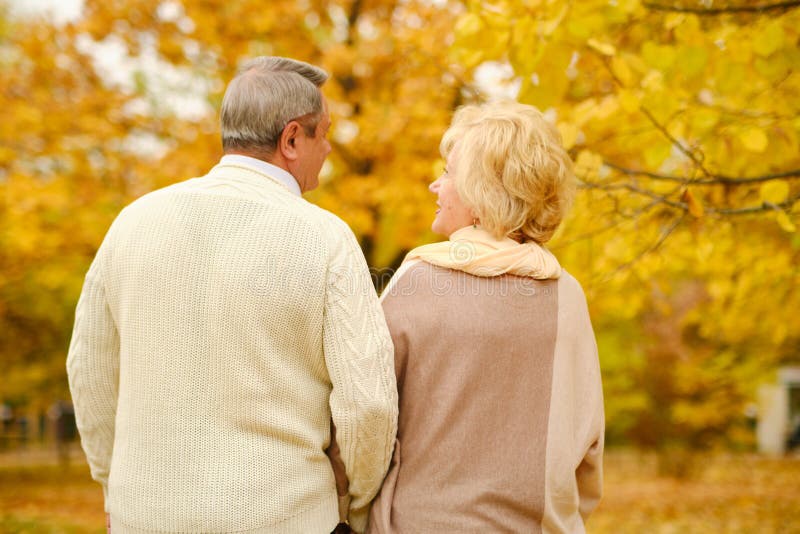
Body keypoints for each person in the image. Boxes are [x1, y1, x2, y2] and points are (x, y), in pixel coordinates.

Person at [67, 56, 398, 534]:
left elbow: (89, 371)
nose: (328, 148)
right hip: (285, 517)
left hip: (143, 517)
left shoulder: (132, 223)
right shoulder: (326, 238)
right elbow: (369, 404)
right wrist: (357, 502)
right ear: (290, 139)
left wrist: (115, 483)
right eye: (323, 133)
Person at [367, 100, 604, 533]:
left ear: (480, 192)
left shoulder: (417, 283)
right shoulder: (566, 296)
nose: (434, 186)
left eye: (448, 173)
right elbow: (587, 455)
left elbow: (367, 416)